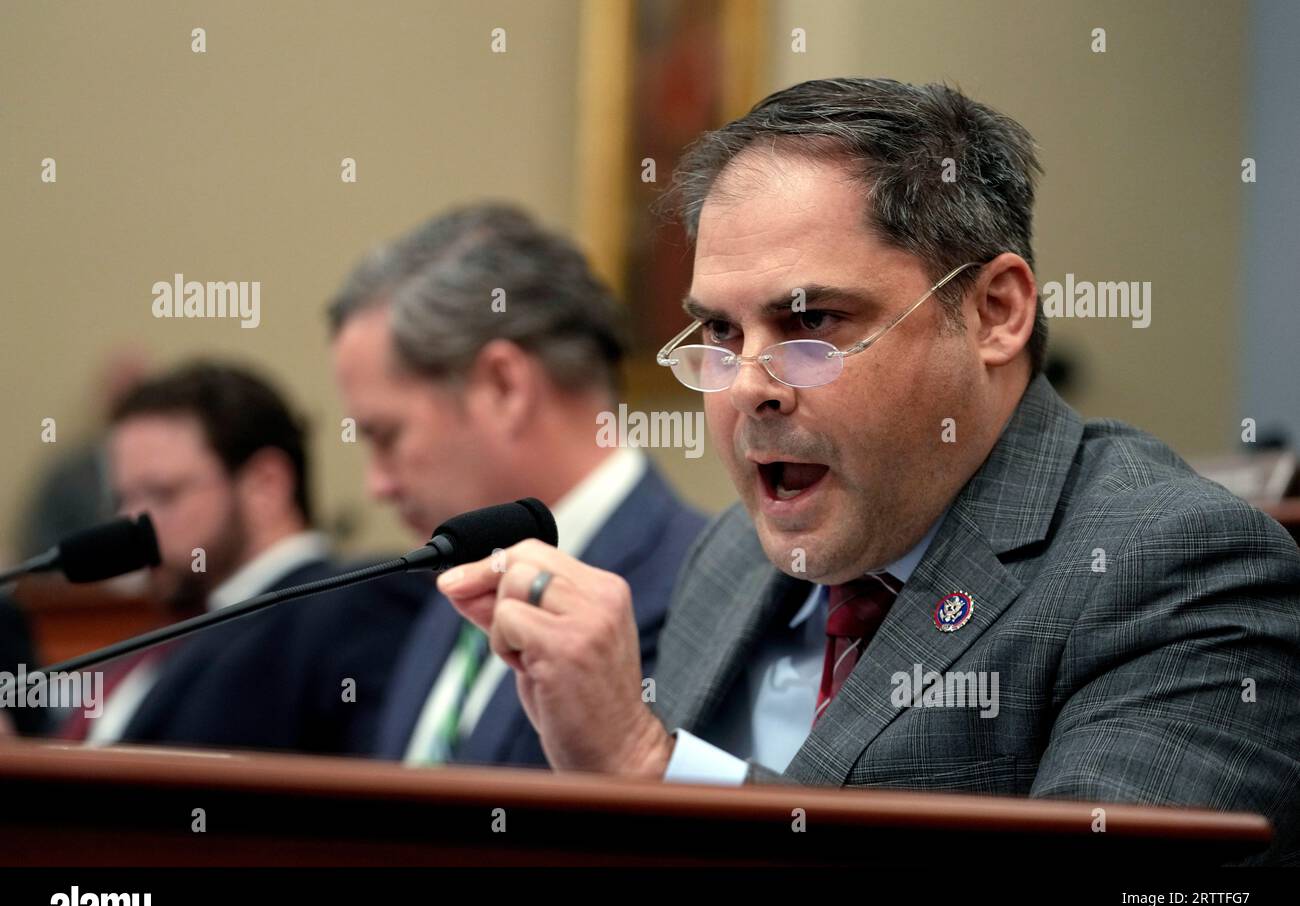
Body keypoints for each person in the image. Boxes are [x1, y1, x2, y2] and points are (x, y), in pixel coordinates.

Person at [430, 79, 1300, 864]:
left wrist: (649, 769)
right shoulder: (732, 556)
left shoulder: (1178, 566)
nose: (752, 389)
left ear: (995, 311)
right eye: (721, 336)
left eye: (814, 324)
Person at [329, 203, 706, 768]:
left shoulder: (701, 591)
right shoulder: (465, 567)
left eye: (386, 435)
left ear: (504, 386)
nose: (376, 484)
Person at [66, 361, 426, 753]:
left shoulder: (352, 604)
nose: (131, 528)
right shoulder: (178, 627)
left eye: (161, 494)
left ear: (265, 485)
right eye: (123, 500)